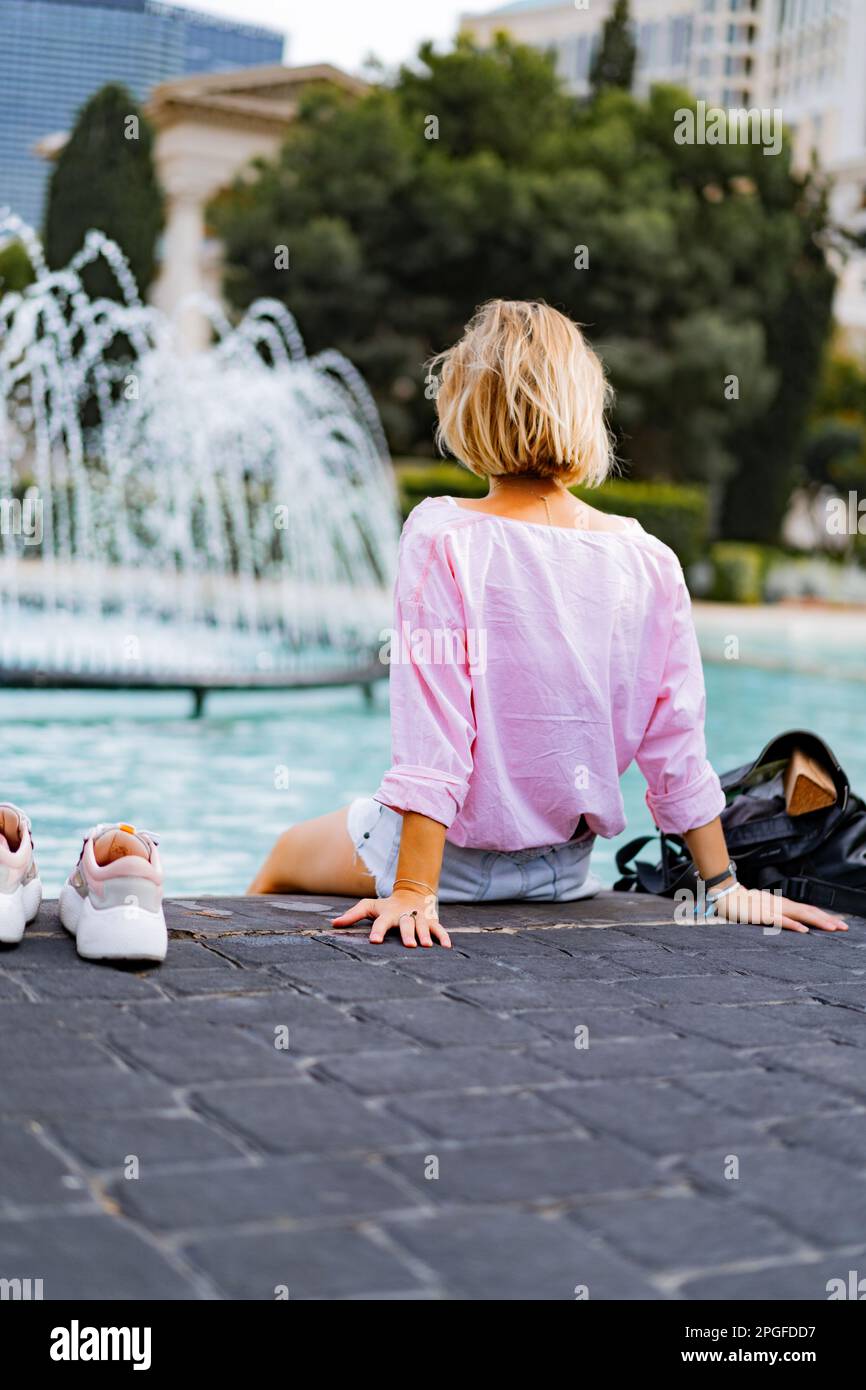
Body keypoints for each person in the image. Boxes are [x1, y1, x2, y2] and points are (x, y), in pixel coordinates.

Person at [248, 300, 848, 948]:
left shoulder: (444, 535)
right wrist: (724, 887)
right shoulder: (649, 558)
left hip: (443, 864)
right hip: (565, 872)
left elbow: (435, 731)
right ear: (584, 411)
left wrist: (415, 891)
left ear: (468, 409)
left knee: (284, 856)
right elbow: (675, 746)